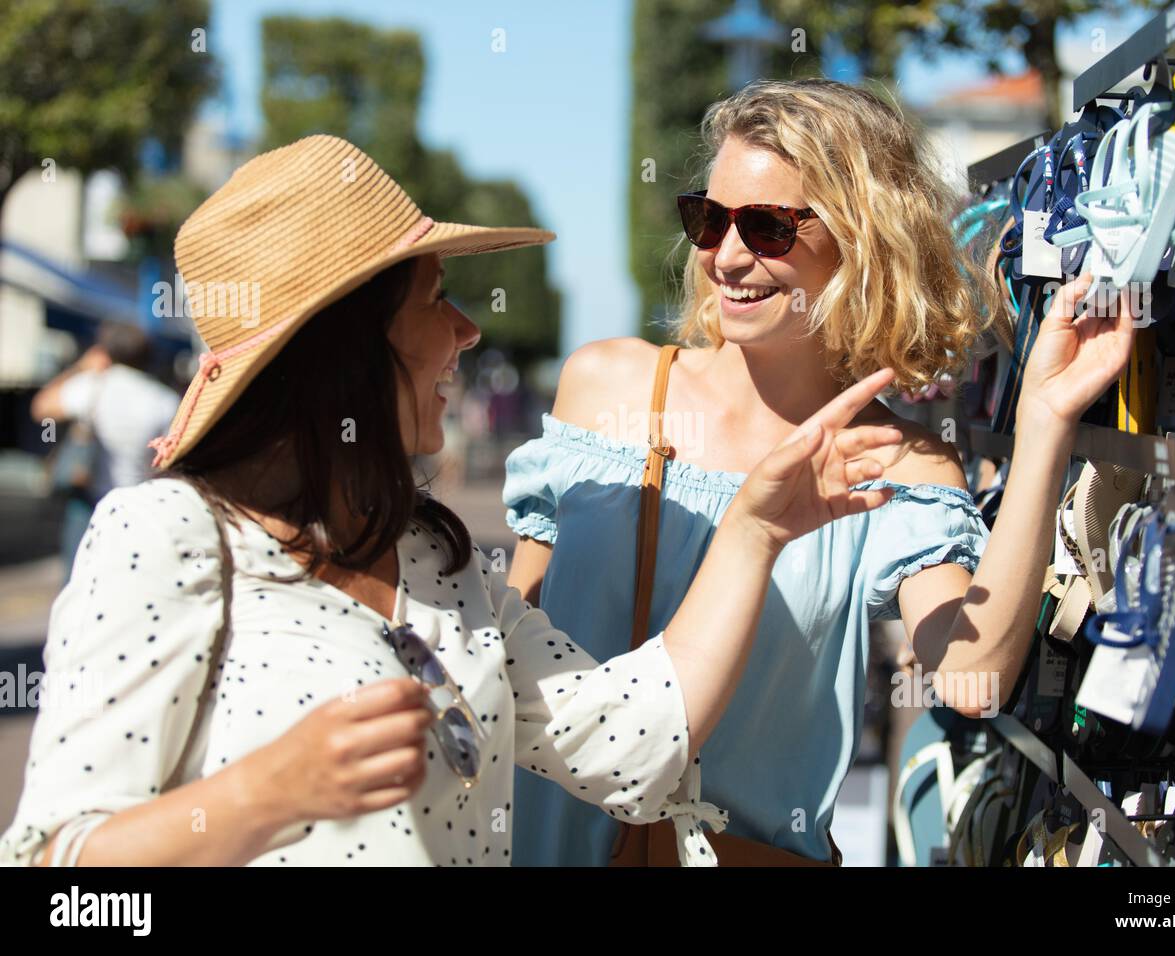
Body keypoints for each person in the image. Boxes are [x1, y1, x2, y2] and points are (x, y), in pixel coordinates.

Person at [0, 134, 905, 867]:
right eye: (438, 299)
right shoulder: (167, 537)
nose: (470, 331)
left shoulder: (438, 563)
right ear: (349, 345)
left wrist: (753, 530)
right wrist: (262, 796)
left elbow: (633, 743)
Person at [503, 78, 1135, 865]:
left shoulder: (895, 463)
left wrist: (1044, 422)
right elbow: (509, 638)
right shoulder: (608, 388)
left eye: (766, 228)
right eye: (708, 219)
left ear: (863, 239)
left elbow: (972, 679)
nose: (726, 257)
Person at [30, 322, 179, 581]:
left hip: (88, 502)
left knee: (78, 584)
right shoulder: (164, 401)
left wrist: (81, 367)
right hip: (138, 506)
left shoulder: (92, 385)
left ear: (105, 351)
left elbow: (42, 407)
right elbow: (169, 462)